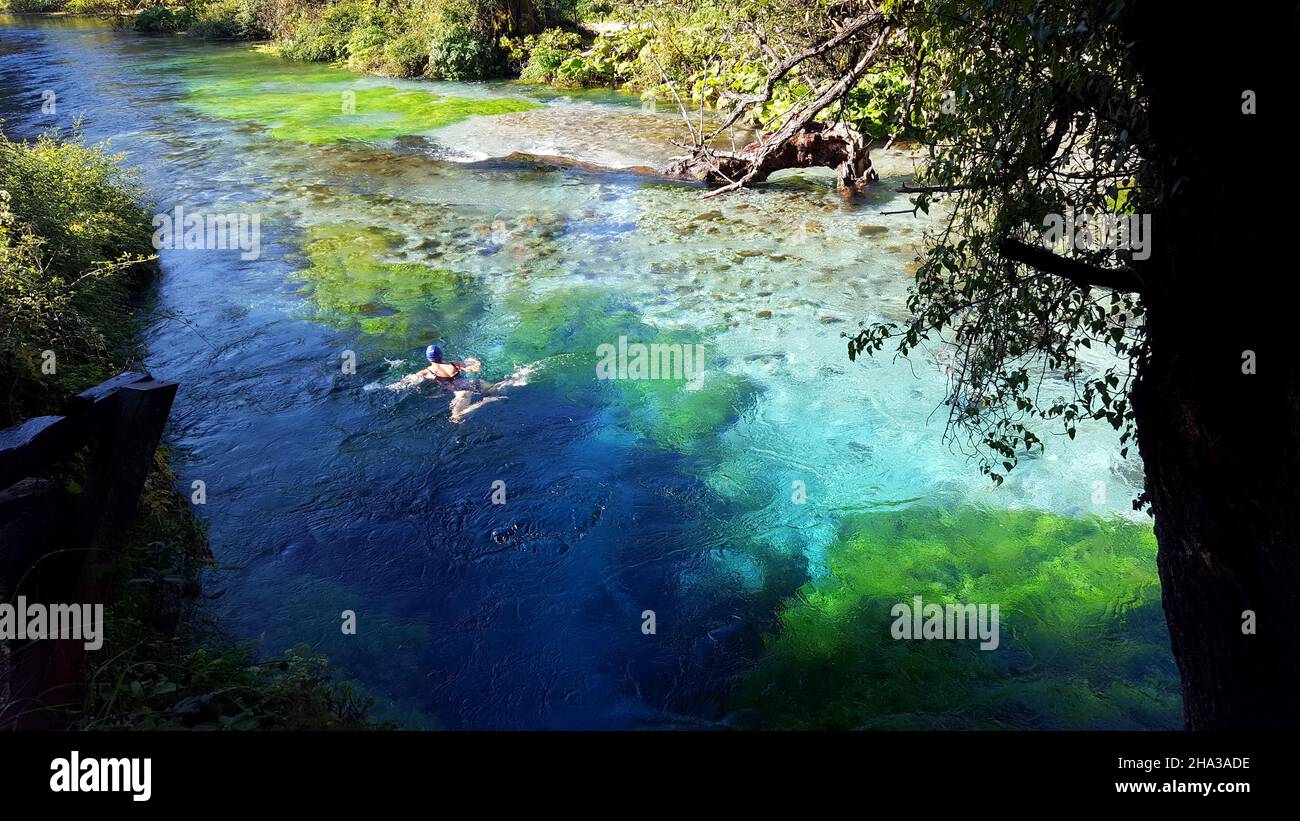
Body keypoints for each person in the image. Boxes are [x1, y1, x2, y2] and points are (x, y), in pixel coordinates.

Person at [417, 344, 511, 421]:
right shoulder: (454, 363)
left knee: (455, 417)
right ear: (441, 355)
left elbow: (411, 380)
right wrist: (473, 360)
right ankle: (513, 381)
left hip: (462, 393)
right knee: (496, 388)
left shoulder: (427, 372)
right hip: (473, 382)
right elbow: (475, 368)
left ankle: (485, 402)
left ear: (428, 358)